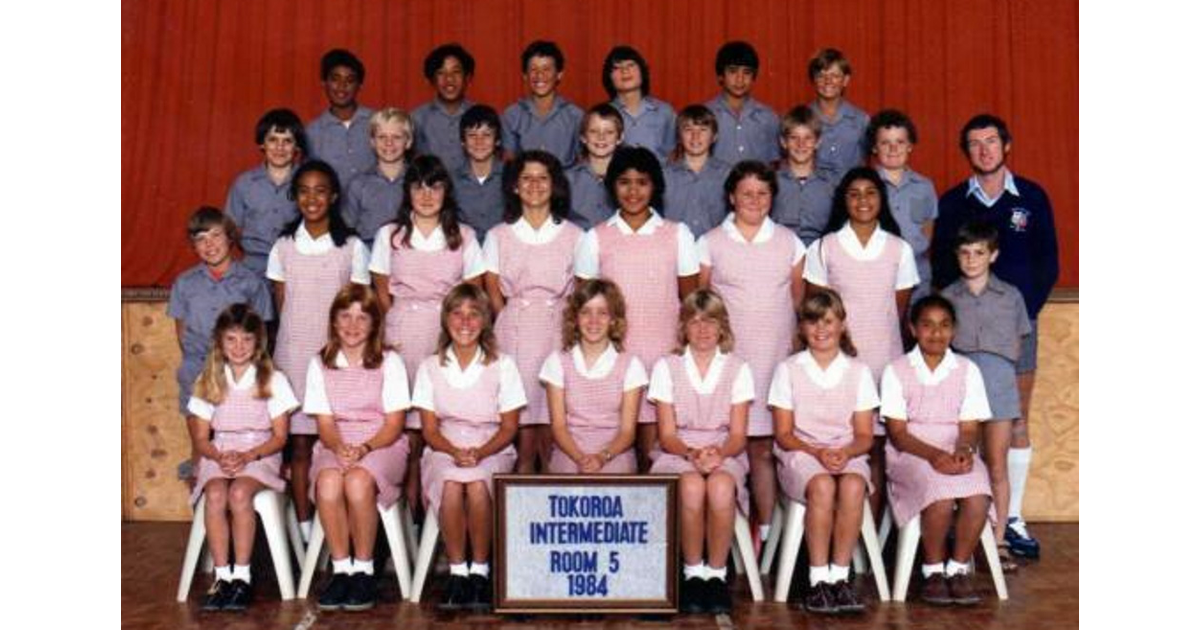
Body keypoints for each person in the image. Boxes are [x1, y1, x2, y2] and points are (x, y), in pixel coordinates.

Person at [930, 113, 1059, 559]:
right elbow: (942, 267)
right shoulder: (952, 202)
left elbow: (1048, 264)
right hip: (965, 331)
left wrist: (1020, 315)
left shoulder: (1033, 198)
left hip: (1014, 329)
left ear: (1007, 146)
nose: (984, 150)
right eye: (974, 144)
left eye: (991, 142)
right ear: (966, 152)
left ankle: (1012, 518)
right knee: (960, 422)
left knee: (1014, 419)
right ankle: (962, 514)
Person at [697, 160, 805, 552]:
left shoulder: (790, 242)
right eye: (746, 193)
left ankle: (765, 535)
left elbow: (798, 301)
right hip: (728, 360)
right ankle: (721, 536)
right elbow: (700, 302)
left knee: (762, 449)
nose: (754, 200)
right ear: (731, 196)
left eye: (763, 193)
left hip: (774, 358)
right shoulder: (709, 242)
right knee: (728, 441)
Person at [369, 154, 486, 514]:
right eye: (418, 186)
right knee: (405, 431)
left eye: (434, 186)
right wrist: (399, 328)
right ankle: (404, 518)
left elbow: (473, 295)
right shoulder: (390, 235)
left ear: (446, 191)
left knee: (435, 425)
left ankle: (434, 517)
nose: (426, 195)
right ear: (407, 191)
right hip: (402, 334)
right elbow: (381, 293)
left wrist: (452, 333)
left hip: (446, 335)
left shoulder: (463, 236)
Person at [574, 146, 701, 471]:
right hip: (615, 355)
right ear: (612, 186)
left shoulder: (678, 234)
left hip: (664, 351)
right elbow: (584, 303)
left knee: (657, 448)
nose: (633, 191)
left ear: (655, 186)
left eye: (642, 182)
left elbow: (690, 303)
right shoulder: (595, 238)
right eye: (624, 182)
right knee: (619, 443)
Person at [804, 167, 919, 520]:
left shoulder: (899, 249)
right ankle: (834, 534)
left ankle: (870, 540)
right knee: (836, 444)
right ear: (843, 200)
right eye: (853, 193)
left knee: (879, 449)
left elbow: (896, 309)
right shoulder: (825, 247)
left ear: (882, 199)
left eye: (870, 192)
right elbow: (817, 310)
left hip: (885, 359)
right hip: (837, 364)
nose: (862, 200)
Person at [268, 160, 371, 545]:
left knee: (338, 437)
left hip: (339, 356)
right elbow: (282, 303)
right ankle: (307, 532)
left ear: (334, 196)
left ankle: (343, 532)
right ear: (295, 197)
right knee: (299, 445)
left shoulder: (352, 246)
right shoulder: (283, 246)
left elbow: (361, 306)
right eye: (305, 191)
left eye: (321, 190)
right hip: (295, 353)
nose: (312, 199)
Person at [414, 284, 526, 612]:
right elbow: (430, 429)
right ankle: (458, 571)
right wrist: (453, 451)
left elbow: (509, 427)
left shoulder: (502, 364)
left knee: (477, 485)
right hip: (443, 448)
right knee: (450, 484)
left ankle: (480, 571)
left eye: (473, 314)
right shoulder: (430, 366)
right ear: (445, 319)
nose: (465, 322)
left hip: (492, 448)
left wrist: (480, 452)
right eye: (457, 314)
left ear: (485, 320)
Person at [768, 291, 876, 614]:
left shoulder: (858, 371)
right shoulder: (788, 369)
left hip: (847, 450)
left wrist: (844, 452)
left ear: (841, 325)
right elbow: (784, 433)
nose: (820, 329)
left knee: (854, 485)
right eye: (812, 321)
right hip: (801, 452)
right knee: (823, 485)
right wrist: (817, 452)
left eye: (828, 321)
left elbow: (865, 436)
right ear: (801, 328)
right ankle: (817, 580)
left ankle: (839, 577)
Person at [881, 295, 993, 606]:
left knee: (978, 494)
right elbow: (898, 433)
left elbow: (969, 427)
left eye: (944, 326)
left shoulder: (967, 369)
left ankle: (957, 568)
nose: (936, 333)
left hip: (954, 444)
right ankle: (932, 570)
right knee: (940, 497)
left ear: (954, 330)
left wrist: (964, 450)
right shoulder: (897, 370)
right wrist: (934, 456)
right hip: (911, 452)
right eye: (927, 326)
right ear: (913, 329)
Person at [305, 284, 410, 611]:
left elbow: (394, 425)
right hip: (336, 441)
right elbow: (324, 425)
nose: (352, 325)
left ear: (374, 324)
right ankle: (342, 569)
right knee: (329, 481)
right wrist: (340, 448)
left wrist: (363, 449)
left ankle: (364, 568)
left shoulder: (389, 361)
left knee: (358, 480)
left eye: (362, 318)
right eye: (345, 316)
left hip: (381, 443)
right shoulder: (320, 362)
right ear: (333, 321)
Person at [647, 289, 753, 615]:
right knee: (692, 486)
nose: (703, 329)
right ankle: (693, 573)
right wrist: (693, 454)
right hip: (678, 452)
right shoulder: (667, 367)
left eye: (711, 322)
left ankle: (716, 576)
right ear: (683, 328)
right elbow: (666, 434)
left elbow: (738, 435)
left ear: (723, 327)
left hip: (724, 450)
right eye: (694, 322)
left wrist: (719, 454)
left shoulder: (738, 368)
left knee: (721, 486)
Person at [186, 304, 296, 612]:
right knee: (216, 492)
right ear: (220, 342)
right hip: (219, 451)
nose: (239, 347)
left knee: (238, 492)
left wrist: (248, 455)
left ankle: (242, 577)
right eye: (231, 339)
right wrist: (219, 457)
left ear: (258, 343)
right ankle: (222, 576)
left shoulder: (273, 379)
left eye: (246, 340)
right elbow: (200, 438)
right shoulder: (208, 379)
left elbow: (279, 437)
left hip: (260, 452)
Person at [484, 150, 584, 473]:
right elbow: (493, 290)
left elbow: (582, 292)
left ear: (554, 185)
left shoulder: (574, 235)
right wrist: (513, 320)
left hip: (558, 331)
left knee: (553, 421)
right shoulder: (498, 235)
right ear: (515, 186)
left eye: (543, 178)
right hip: (515, 333)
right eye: (526, 178)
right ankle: (521, 506)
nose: (535, 185)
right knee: (523, 426)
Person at [941, 221, 1031, 572]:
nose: (971, 259)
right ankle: (960, 537)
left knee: (996, 464)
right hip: (959, 389)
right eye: (964, 252)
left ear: (993, 255)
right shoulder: (948, 296)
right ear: (956, 256)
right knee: (963, 461)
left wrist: (1007, 385)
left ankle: (998, 538)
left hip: (998, 385)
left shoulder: (1010, 296)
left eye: (979, 252)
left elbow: (1019, 343)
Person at [169, 207, 275, 437]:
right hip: (197, 365)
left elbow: (262, 331)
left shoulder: (251, 282)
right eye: (201, 239)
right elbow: (181, 329)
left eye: (216, 235)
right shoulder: (185, 283)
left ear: (230, 237)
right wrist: (199, 362)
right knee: (200, 435)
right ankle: (199, 469)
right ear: (194, 246)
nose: (210, 245)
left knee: (236, 434)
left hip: (240, 366)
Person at [541, 279, 646, 474]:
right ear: (575, 318)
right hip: (569, 451)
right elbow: (559, 427)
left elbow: (627, 432)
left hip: (615, 452)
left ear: (614, 319)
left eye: (603, 313)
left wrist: (602, 457)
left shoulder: (631, 365)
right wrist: (580, 458)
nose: (593, 320)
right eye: (586, 312)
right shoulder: (557, 362)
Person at [224, 108, 308, 276]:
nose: (280, 147)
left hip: (296, 265)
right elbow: (230, 226)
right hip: (253, 266)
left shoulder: (307, 183)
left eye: (287, 141)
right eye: (273, 140)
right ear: (262, 143)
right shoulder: (244, 183)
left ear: (296, 146)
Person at [866, 109, 939, 300]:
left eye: (900, 142)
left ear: (910, 146)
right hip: (878, 276)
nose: (893, 149)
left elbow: (927, 231)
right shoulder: (866, 185)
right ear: (874, 147)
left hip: (918, 276)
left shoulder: (924, 186)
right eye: (885, 143)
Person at [501, 40, 585, 166]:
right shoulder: (512, 114)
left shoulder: (576, 116)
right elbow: (509, 162)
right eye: (533, 69)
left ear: (559, 74)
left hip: (566, 184)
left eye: (546, 69)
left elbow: (583, 161)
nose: (540, 75)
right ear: (525, 75)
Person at [342, 107, 414, 248]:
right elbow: (347, 230)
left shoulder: (418, 182)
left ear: (409, 141)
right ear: (372, 142)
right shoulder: (358, 185)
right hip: (368, 259)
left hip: (410, 258)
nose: (389, 143)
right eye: (382, 137)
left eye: (396, 137)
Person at [306, 49, 375, 189]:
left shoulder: (378, 122)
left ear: (360, 86)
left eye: (349, 80)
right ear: (324, 83)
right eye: (335, 79)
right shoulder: (312, 132)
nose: (342, 86)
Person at [706, 41, 780, 165]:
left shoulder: (768, 117)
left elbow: (774, 162)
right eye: (733, 71)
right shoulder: (706, 114)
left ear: (754, 77)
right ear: (721, 76)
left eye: (747, 72)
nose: (740, 79)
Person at [663, 104, 731, 238]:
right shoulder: (664, 175)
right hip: (675, 250)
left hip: (715, 250)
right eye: (688, 130)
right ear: (679, 137)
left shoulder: (727, 174)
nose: (695, 136)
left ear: (714, 136)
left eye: (703, 130)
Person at [772, 106, 835, 246]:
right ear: (783, 142)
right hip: (779, 253)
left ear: (818, 142)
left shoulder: (832, 183)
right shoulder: (771, 182)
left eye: (808, 138)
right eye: (794, 138)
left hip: (820, 254)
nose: (801, 144)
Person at [602, 45, 675, 162]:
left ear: (642, 71)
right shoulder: (602, 115)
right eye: (616, 68)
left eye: (630, 65)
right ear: (609, 77)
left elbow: (673, 154)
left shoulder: (664, 112)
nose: (625, 71)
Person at [806, 48, 868, 184]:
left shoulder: (861, 120)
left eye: (835, 76)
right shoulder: (803, 118)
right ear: (813, 80)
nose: (828, 81)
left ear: (845, 80)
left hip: (849, 196)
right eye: (821, 76)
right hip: (814, 194)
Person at [411, 43, 476, 173]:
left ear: (467, 77)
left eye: (456, 72)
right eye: (441, 73)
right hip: (430, 190)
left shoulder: (480, 115)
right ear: (431, 80)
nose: (449, 79)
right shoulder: (417, 118)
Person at [564, 103, 623, 228]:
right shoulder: (567, 180)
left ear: (620, 138)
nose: (601, 137)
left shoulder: (628, 179)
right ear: (583, 137)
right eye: (593, 131)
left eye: (609, 132)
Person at [454, 105, 507, 242]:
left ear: (498, 140)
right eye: (472, 135)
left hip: (504, 254)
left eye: (487, 134)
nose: (479, 141)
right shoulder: (451, 180)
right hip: (464, 254)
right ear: (462, 141)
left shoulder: (511, 176)